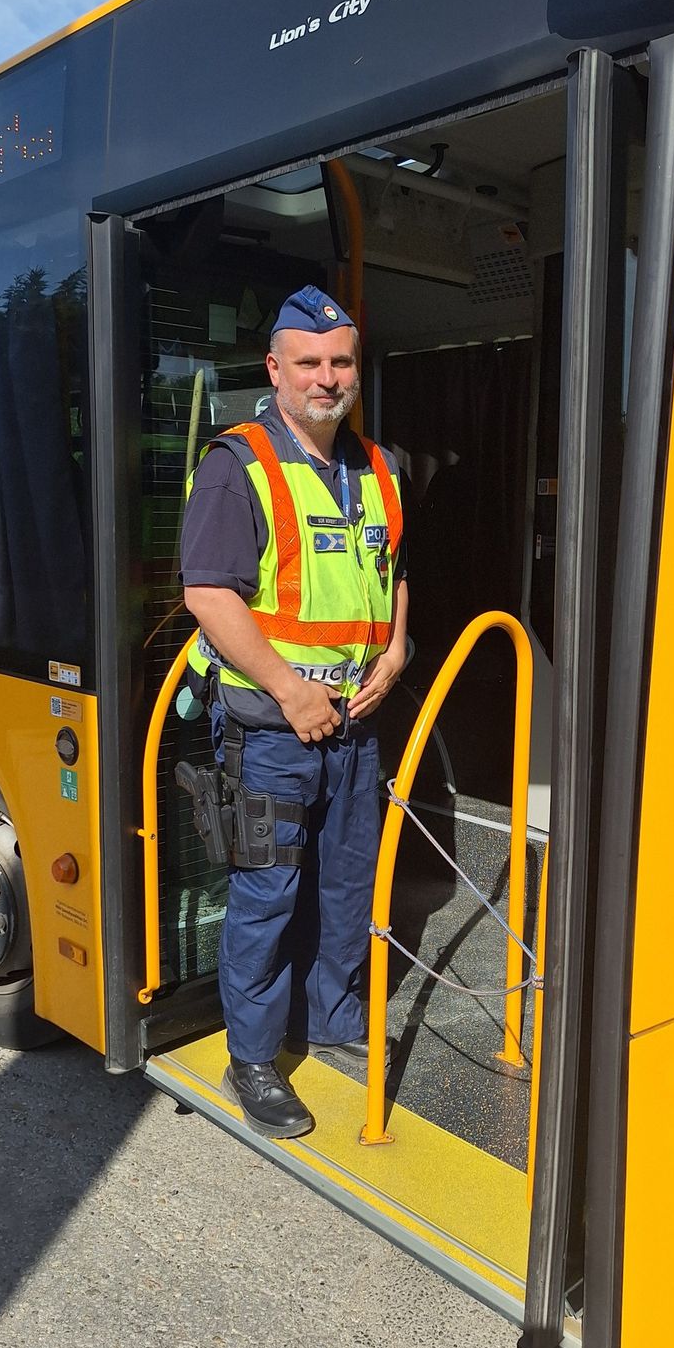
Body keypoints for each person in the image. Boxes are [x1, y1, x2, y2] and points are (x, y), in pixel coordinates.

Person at [180, 285, 409, 1139]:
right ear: (275, 370)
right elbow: (209, 595)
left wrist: (396, 651)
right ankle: (255, 1057)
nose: (326, 376)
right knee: (268, 894)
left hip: (355, 721)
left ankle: (336, 1026)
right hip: (271, 730)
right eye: (308, 362)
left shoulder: (379, 467)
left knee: (348, 885)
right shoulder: (237, 463)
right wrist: (288, 687)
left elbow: (396, 574)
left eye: (340, 361)